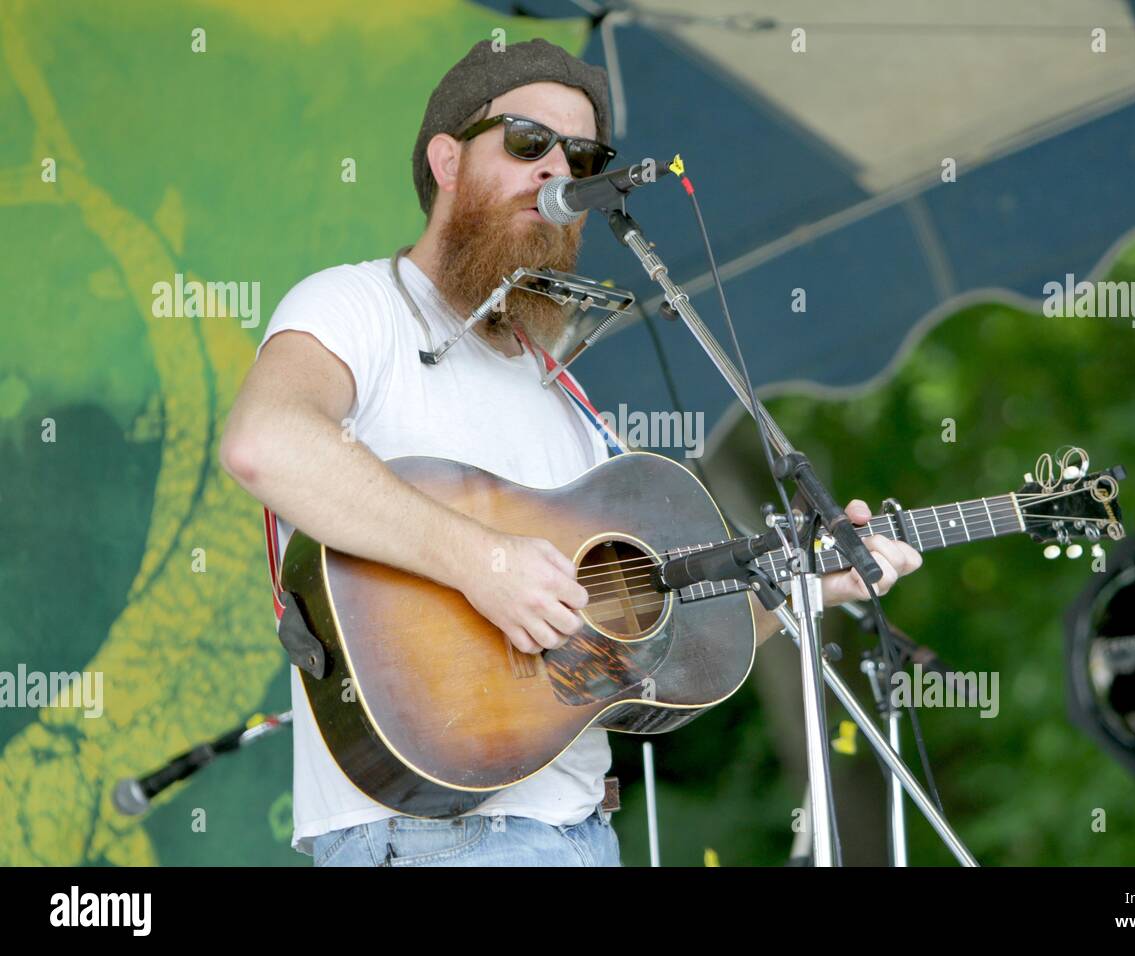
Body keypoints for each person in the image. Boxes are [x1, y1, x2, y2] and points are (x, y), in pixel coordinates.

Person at [218, 37, 922, 867]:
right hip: (429, 834)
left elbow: (653, 647)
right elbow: (265, 443)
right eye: (526, 142)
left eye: (583, 155)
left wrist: (804, 589)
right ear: (446, 160)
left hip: (577, 833)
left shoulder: (563, 393)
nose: (559, 170)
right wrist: (483, 562)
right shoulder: (358, 305)